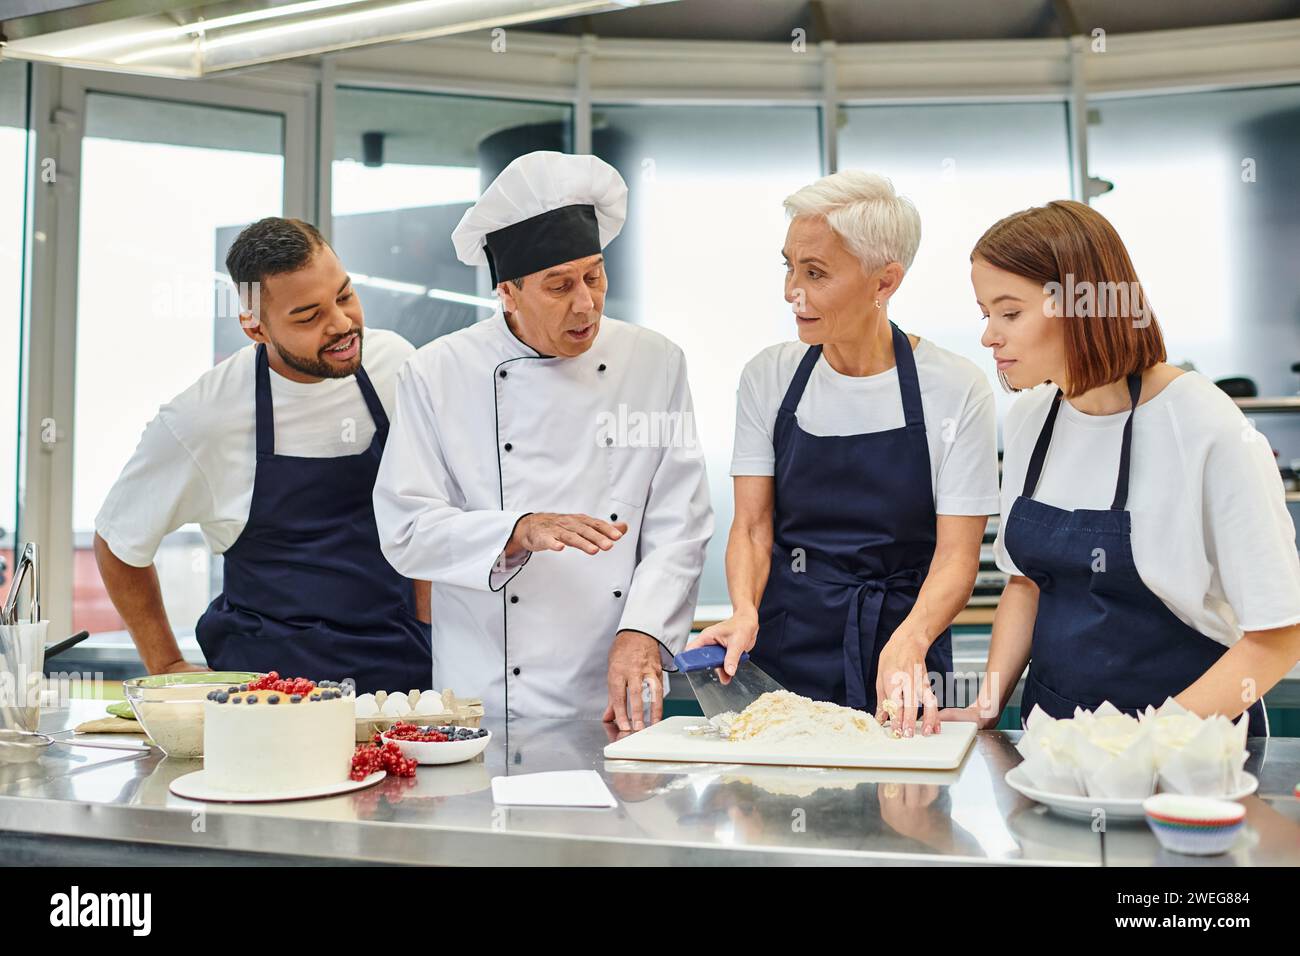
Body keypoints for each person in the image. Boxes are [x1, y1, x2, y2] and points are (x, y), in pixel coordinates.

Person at [373, 151, 712, 728]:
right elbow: (406, 530)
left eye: (594, 275)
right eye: (558, 286)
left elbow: (680, 522)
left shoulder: (654, 363)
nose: (586, 303)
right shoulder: (438, 372)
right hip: (491, 691)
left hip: (619, 674)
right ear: (508, 292)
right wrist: (514, 529)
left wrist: (644, 631)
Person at [942, 199, 1300, 734]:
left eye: (1010, 312)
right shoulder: (1029, 419)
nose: (989, 335)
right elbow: (1026, 585)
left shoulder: (1204, 425)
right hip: (1054, 743)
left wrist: (1150, 745)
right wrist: (986, 705)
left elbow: (1278, 636)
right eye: (985, 313)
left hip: (1191, 751)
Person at [689, 171, 999, 737]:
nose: (792, 292)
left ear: (885, 281)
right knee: (782, 806)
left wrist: (910, 641)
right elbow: (754, 527)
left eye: (815, 273)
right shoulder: (769, 377)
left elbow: (957, 555)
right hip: (785, 643)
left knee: (902, 813)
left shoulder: (955, 388)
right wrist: (743, 610)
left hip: (904, 651)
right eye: (788, 266)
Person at [95, 217, 432, 692]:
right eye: (308, 316)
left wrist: (429, 628)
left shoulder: (392, 364)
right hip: (266, 696)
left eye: (344, 296)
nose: (341, 324)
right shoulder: (203, 420)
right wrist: (165, 665)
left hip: (400, 683)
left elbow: (426, 505)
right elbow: (117, 541)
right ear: (255, 327)